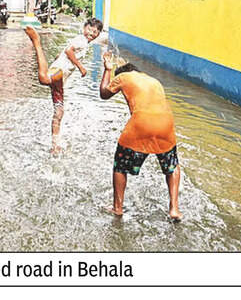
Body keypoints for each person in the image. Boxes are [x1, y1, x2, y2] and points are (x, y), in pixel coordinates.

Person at [100, 55, 181, 220]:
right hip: (166, 125)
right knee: (172, 166)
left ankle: (117, 208)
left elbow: (104, 93)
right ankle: (174, 209)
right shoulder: (154, 81)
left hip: (141, 123)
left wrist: (108, 70)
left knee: (120, 166)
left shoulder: (123, 77)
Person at [25, 18, 103, 154]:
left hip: (62, 76)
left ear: (98, 34)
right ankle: (36, 42)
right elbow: (69, 51)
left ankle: (55, 145)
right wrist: (81, 67)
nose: (91, 33)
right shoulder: (82, 41)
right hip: (60, 71)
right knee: (43, 79)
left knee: (59, 111)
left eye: (95, 32)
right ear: (84, 28)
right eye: (89, 29)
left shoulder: (82, 41)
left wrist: (57, 57)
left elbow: (64, 52)